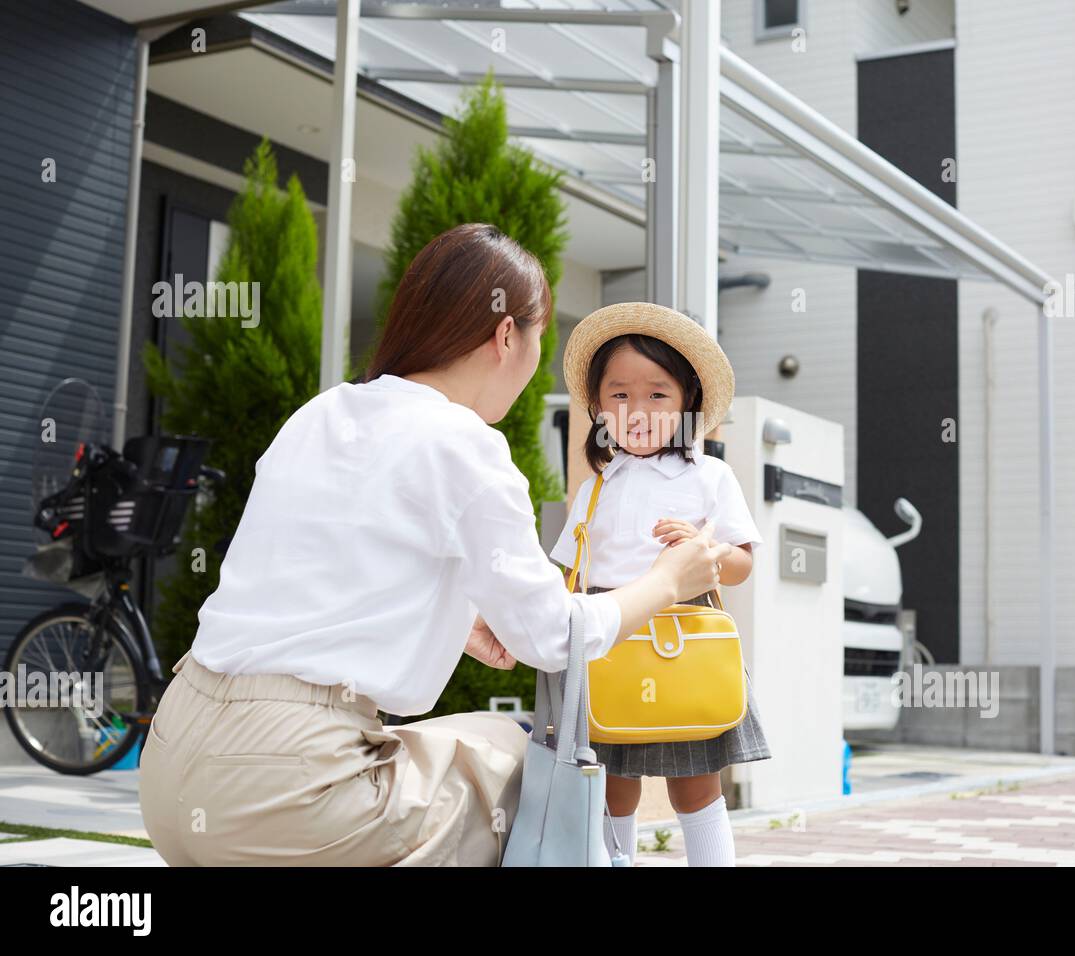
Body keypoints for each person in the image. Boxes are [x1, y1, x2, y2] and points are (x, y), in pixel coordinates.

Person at [137, 223, 730, 866]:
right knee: (531, 758)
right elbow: (555, 637)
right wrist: (669, 581)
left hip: (171, 761)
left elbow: (329, 571)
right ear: (508, 335)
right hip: (291, 790)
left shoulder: (324, 410)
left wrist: (460, 619)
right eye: (538, 339)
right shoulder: (467, 442)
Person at [549, 302, 772, 867]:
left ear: (687, 402)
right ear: (598, 407)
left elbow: (743, 562)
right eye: (619, 395)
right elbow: (567, 570)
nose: (637, 410)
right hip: (609, 637)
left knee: (697, 789)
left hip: (685, 635)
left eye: (657, 394)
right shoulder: (595, 488)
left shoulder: (709, 476)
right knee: (612, 785)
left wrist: (706, 551)